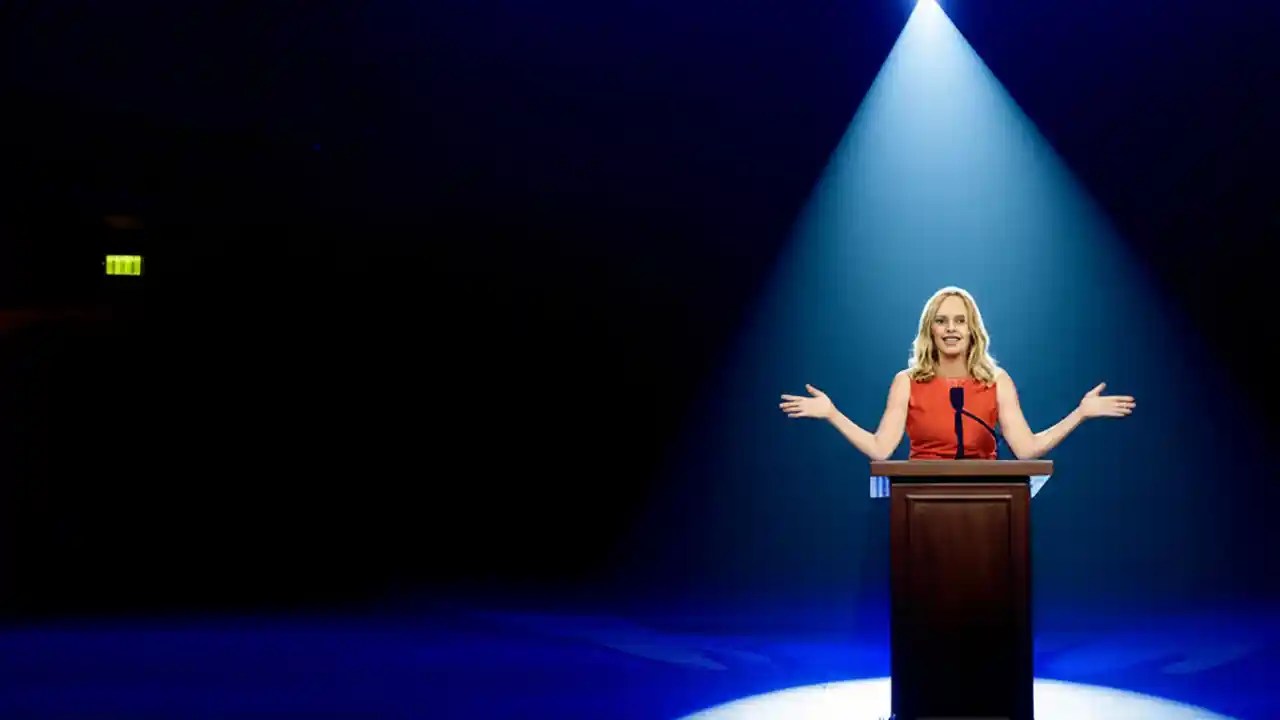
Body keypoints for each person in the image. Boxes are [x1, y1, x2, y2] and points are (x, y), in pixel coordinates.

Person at [778, 286, 1135, 460]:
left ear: (972, 330)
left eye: (960, 321)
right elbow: (881, 449)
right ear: (930, 329)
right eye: (942, 320)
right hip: (921, 500)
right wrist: (831, 414)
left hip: (988, 501)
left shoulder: (997, 382)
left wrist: (1081, 414)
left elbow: (1026, 450)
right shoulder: (907, 383)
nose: (951, 328)